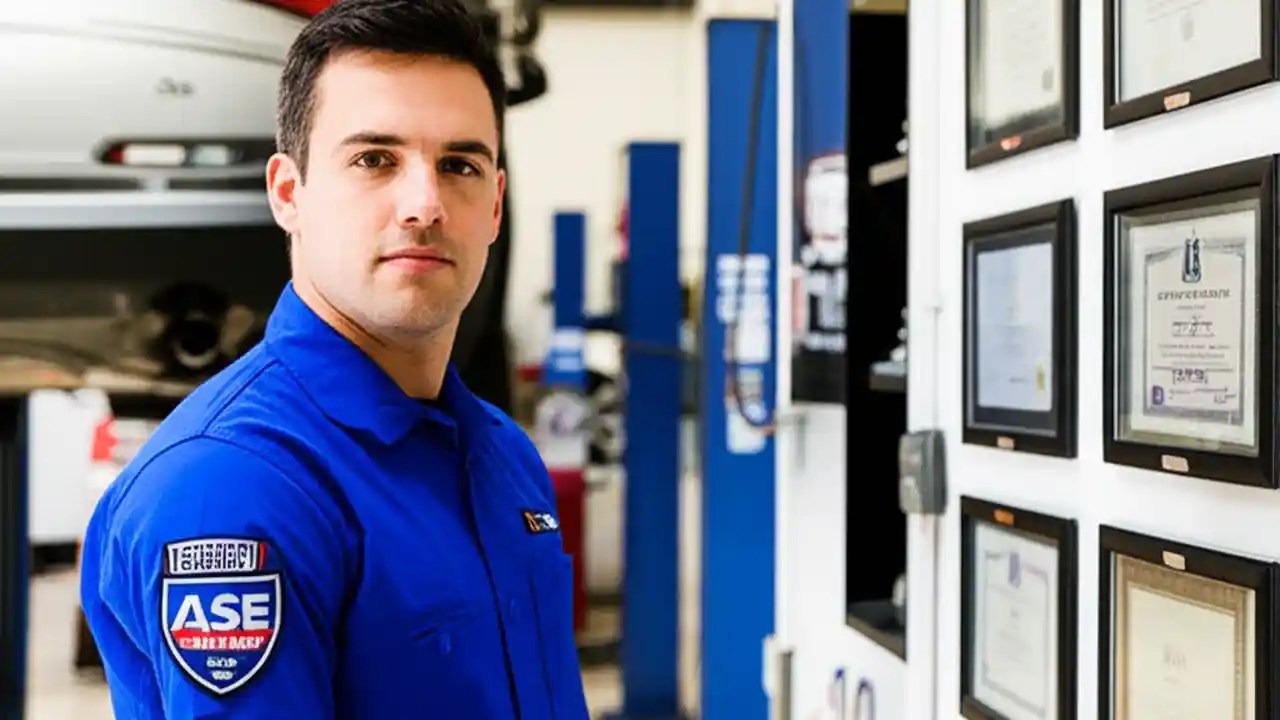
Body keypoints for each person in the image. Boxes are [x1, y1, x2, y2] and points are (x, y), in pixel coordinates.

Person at [78, 1, 590, 718]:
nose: (424, 203)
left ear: (496, 204)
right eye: (374, 159)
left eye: (460, 165)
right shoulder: (232, 488)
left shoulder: (502, 457)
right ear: (289, 193)